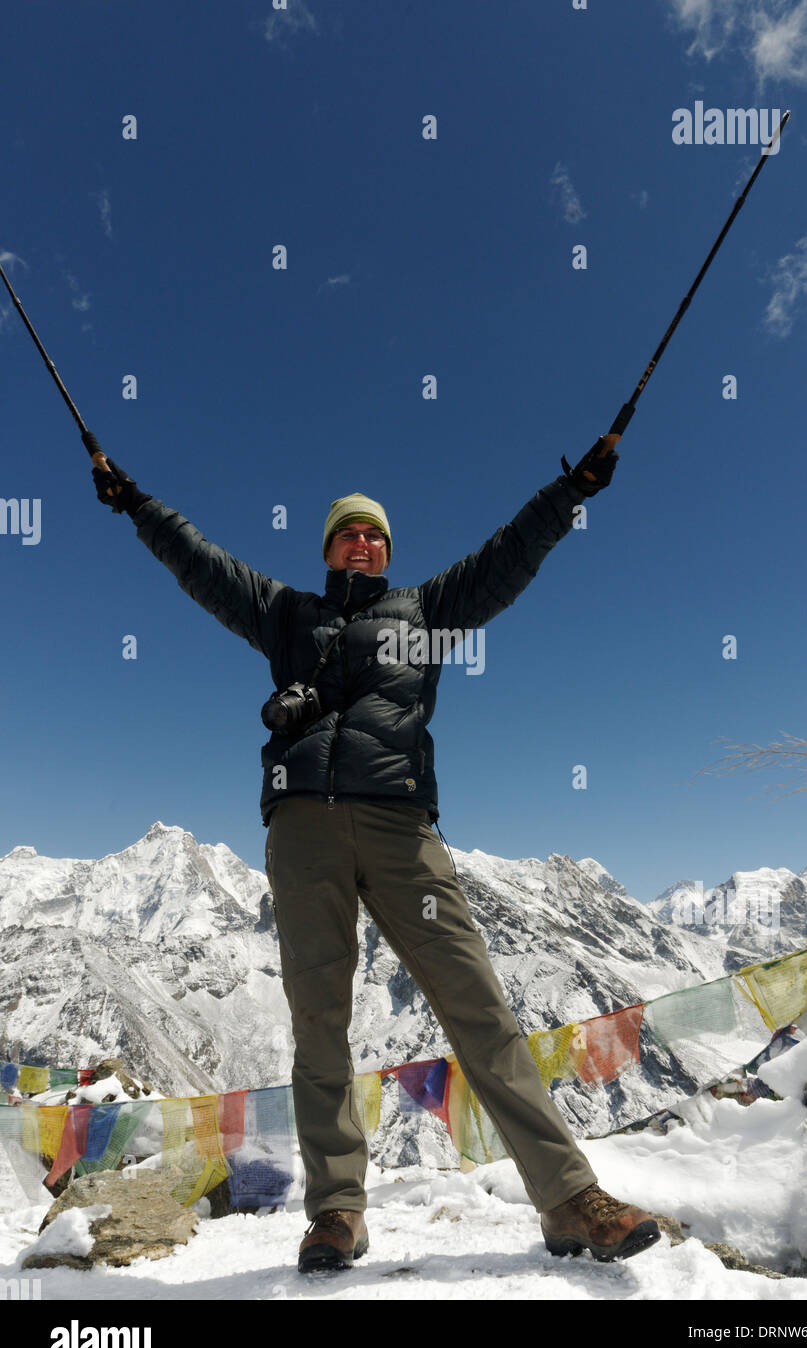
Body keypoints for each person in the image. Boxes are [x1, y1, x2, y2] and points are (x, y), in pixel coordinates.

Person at [92, 440, 660, 1272]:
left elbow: (509, 554)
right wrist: (136, 504)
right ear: (326, 548)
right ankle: (335, 1215)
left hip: (401, 827)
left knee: (479, 1010)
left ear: (389, 551)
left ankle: (570, 1197)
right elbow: (199, 562)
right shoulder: (283, 613)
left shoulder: (426, 612)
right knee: (318, 1024)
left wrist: (569, 491)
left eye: (376, 536)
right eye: (348, 533)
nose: (364, 544)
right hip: (301, 833)